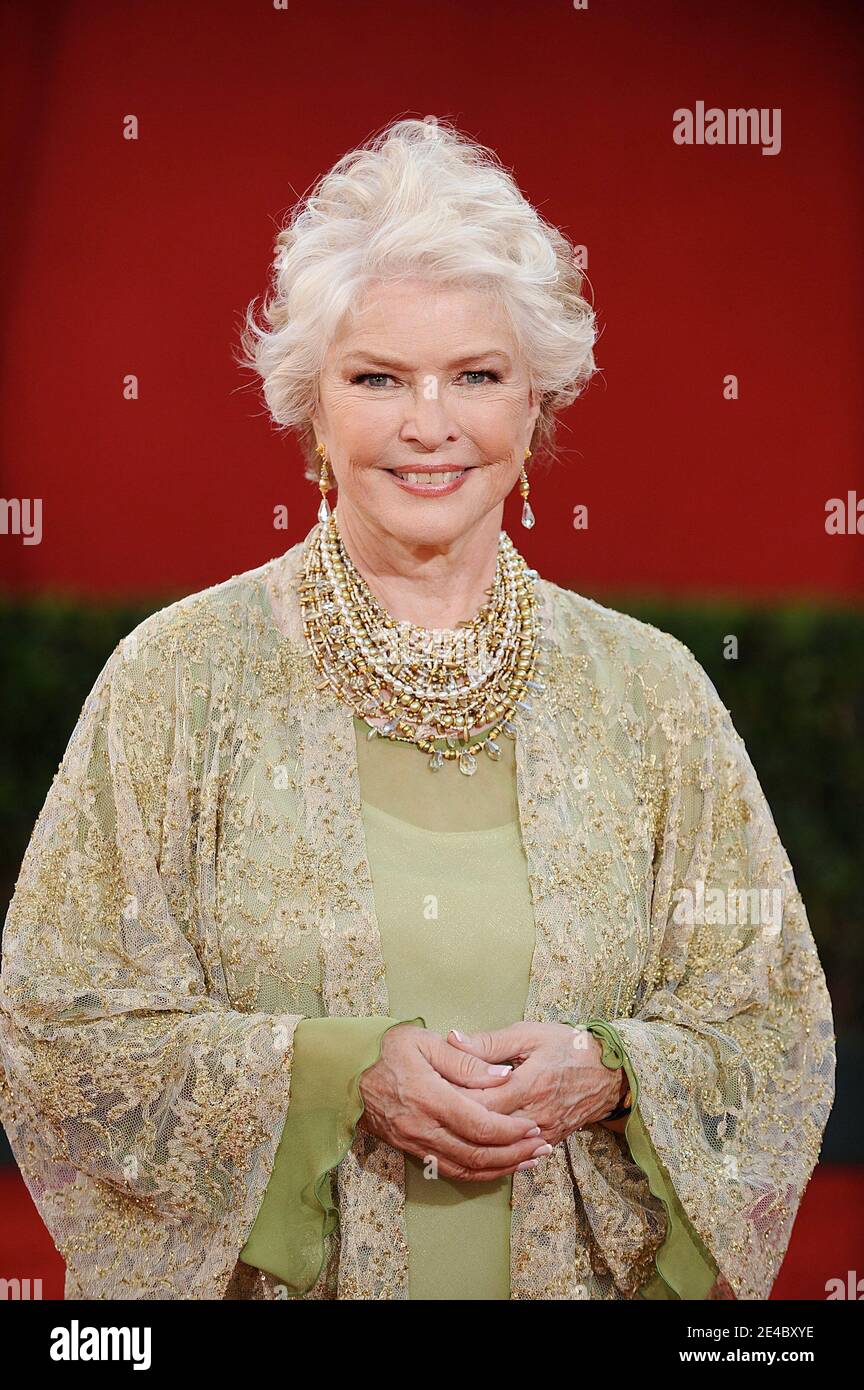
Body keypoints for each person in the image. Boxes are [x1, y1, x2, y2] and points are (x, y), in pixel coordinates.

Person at [0, 117, 835, 1301]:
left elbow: (772, 1029)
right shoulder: (176, 680)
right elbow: (58, 1027)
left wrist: (611, 1071)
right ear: (311, 410)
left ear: (536, 405)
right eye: (379, 376)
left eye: (477, 376)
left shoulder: (654, 697)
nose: (429, 423)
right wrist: (333, 1071)